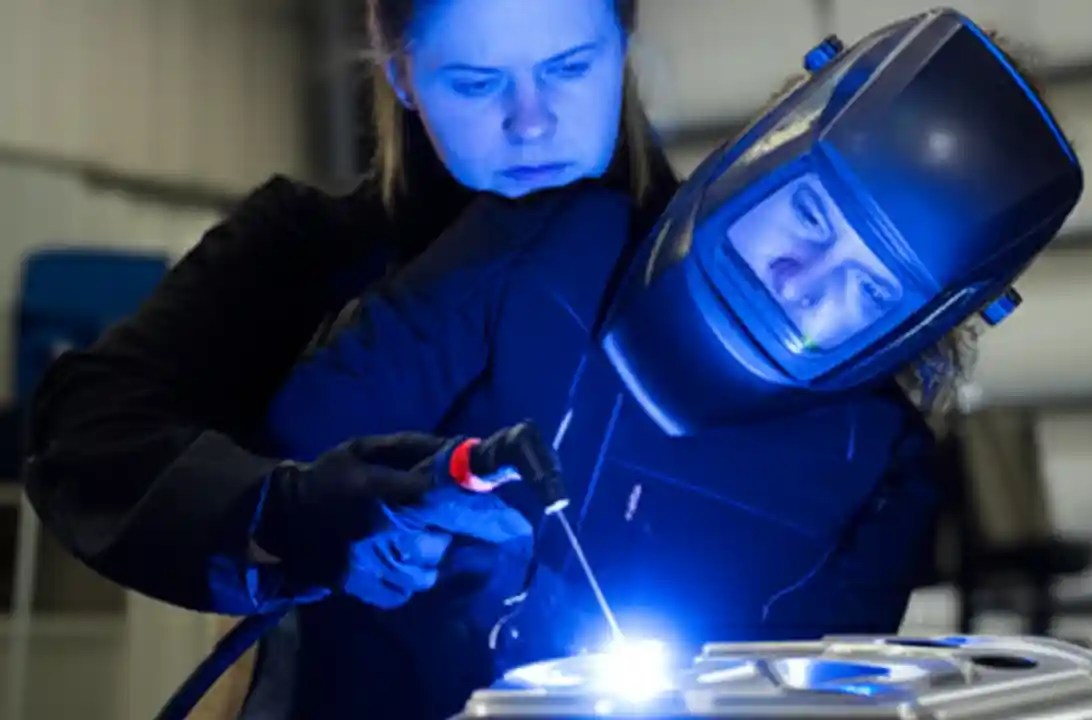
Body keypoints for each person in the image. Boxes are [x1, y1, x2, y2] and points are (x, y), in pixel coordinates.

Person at [252, 8, 1080, 719]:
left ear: (921, 323)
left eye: (867, 285)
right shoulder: (547, 244)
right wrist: (402, 514)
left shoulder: (880, 471)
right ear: (773, 144)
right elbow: (288, 450)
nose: (801, 279)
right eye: (810, 216)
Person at [21, 0, 671, 711]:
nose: (532, 120)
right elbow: (84, 431)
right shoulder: (304, 254)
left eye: (569, 67)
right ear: (401, 76)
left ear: (623, 44)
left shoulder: (732, 262)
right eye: (477, 82)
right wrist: (282, 512)